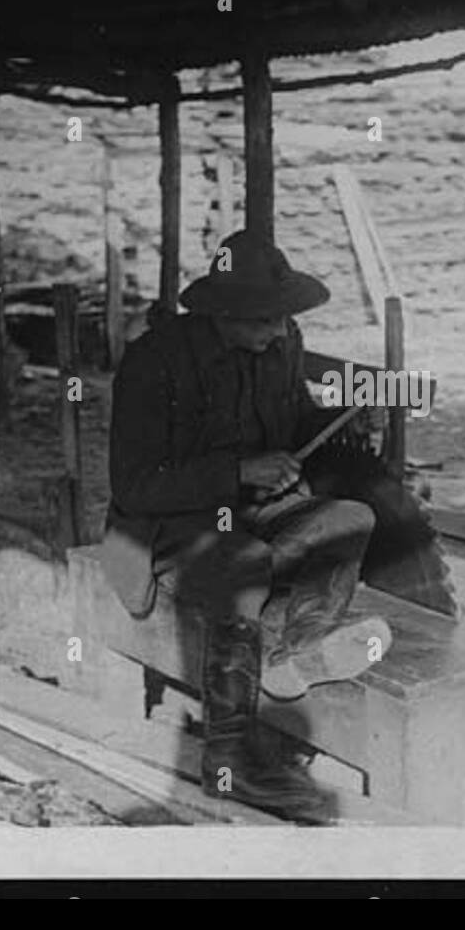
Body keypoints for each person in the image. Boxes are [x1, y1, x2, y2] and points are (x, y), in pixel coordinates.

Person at [100, 230, 392, 821]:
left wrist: (343, 420)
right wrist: (237, 471)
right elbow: (134, 486)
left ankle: (286, 654)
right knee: (245, 564)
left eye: (285, 318)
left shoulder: (280, 344)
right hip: (165, 524)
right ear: (223, 314)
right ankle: (228, 761)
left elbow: (292, 420)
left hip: (251, 512)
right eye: (266, 321)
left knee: (351, 519)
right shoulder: (153, 362)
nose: (281, 332)